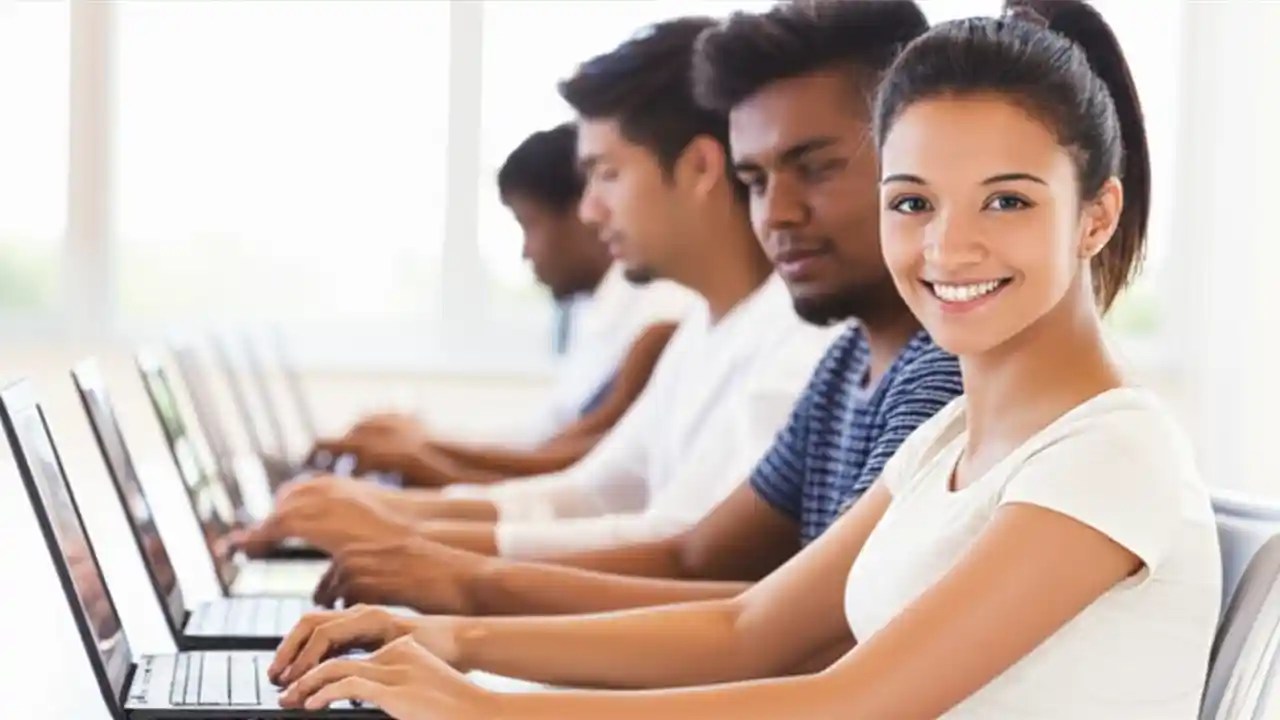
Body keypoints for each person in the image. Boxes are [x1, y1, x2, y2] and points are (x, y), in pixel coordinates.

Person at [269, 2, 1223, 717]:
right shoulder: (949, 441)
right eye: (912, 201)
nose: (947, 249)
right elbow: (752, 625)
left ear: (1095, 213)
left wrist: (485, 705)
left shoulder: (1110, 452)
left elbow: (845, 702)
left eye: (1007, 201)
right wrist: (449, 636)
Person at [301, 0, 962, 619]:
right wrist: (433, 570)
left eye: (815, 167)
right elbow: (693, 556)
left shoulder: (926, 374)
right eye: (756, 180)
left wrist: (458, 585)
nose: (777, 212)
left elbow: (783, 635)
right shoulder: (843, 360)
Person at [238, 16, 842, 561]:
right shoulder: (702, 330)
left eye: (606, 174)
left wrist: (408, 539)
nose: (589, 209)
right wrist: (384, 517)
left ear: (700, 169)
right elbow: (588, 493)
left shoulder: (795, 342)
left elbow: (680, 548)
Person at [308, 123, 693, 488]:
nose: (526, 252)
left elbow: (570, 467)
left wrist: (421, 455)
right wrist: (421, 443)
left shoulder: (660, 321)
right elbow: (547, 440)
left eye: (529, 224)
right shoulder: (600, 313)